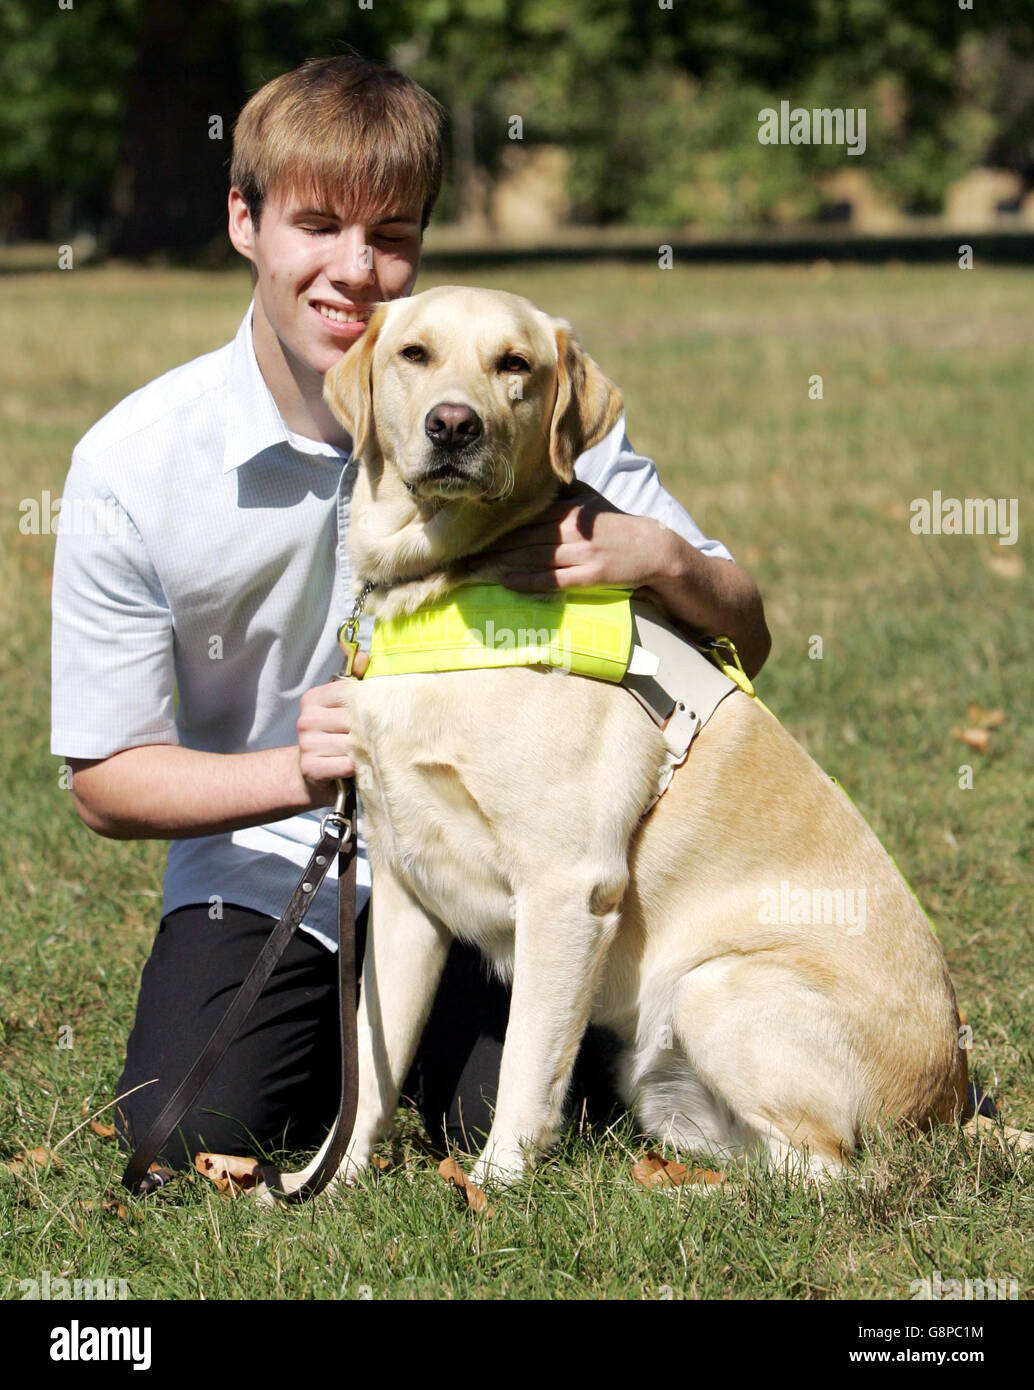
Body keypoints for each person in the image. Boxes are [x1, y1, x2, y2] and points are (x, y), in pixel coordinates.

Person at [51, 55, 770, 1169]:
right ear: (242, 220)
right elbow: (104, 779)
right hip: (272, 871)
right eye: (316, 224)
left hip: (502, 864)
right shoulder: (135, 466)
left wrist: (661, 555)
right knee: (175, 1134)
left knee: (504, 1119)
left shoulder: (508, 392)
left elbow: (745, 638)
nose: (355, 269)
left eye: (389, 234)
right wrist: (298, 771)